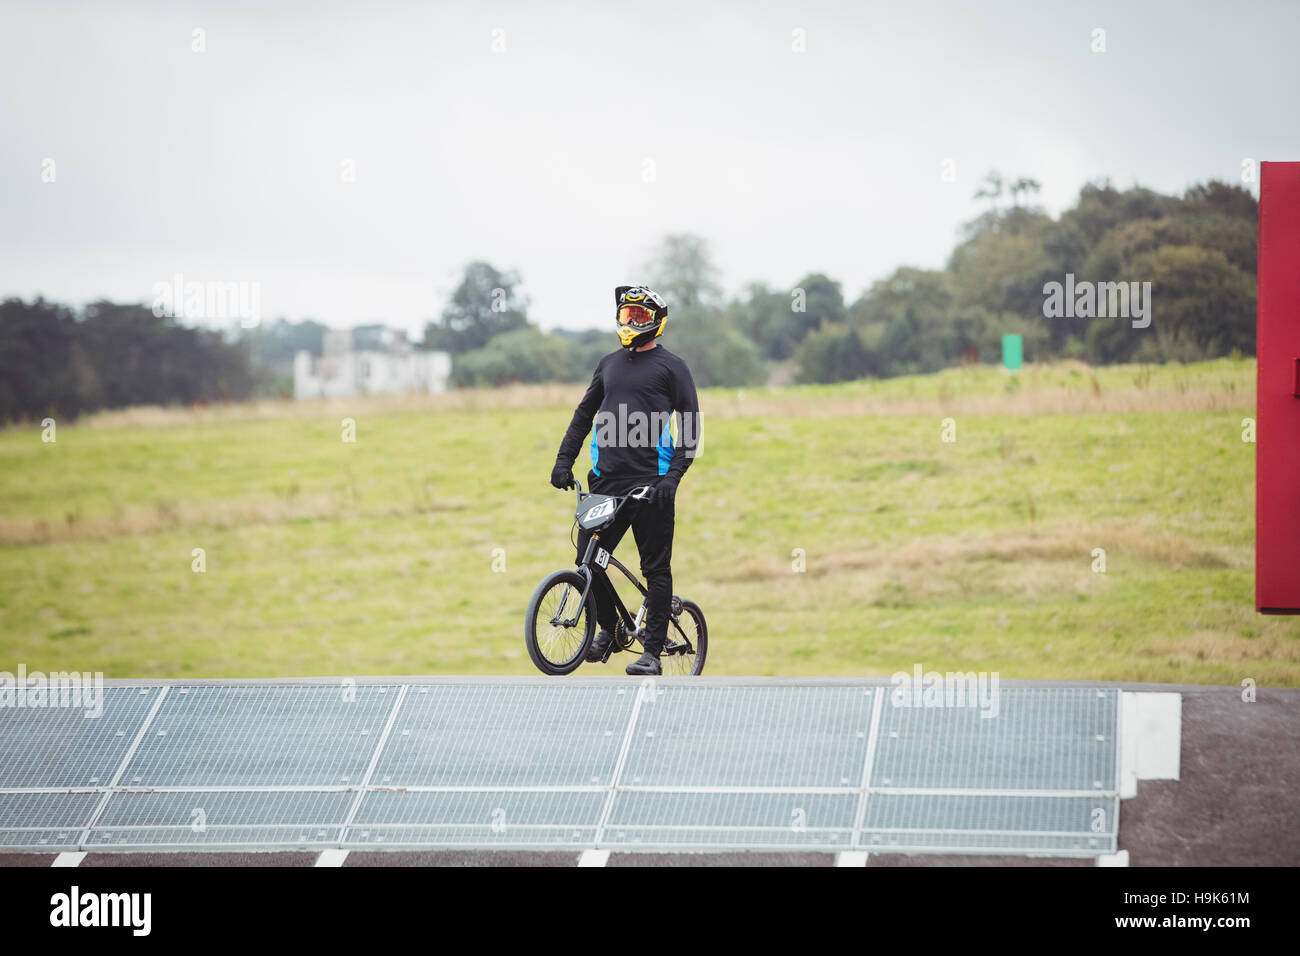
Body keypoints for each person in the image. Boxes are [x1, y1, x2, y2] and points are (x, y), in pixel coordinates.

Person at [549, 285, 701, 676]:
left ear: (657, 321)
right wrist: (564, 461)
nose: (631, 322)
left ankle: (651, 654)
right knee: (587, 560)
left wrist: (673, 479)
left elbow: (691, 427)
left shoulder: (673, 368)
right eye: (626, 315)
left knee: (656, 570)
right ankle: (610, 629)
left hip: (653, 486)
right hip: (605, 485)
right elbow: (583, 416)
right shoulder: (608, 365)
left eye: (639, 316)